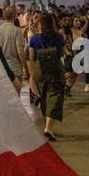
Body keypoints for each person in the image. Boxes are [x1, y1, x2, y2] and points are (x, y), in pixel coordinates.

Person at [26, 11, 66, 141]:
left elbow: (32, 57)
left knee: (43, 95)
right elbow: (61, 53)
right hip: (55, 68)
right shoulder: (59, 37)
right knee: (55, 96)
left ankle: (46, 127)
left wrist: (31, 74)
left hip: (40, 69)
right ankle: (48, 128)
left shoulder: (34, 39)